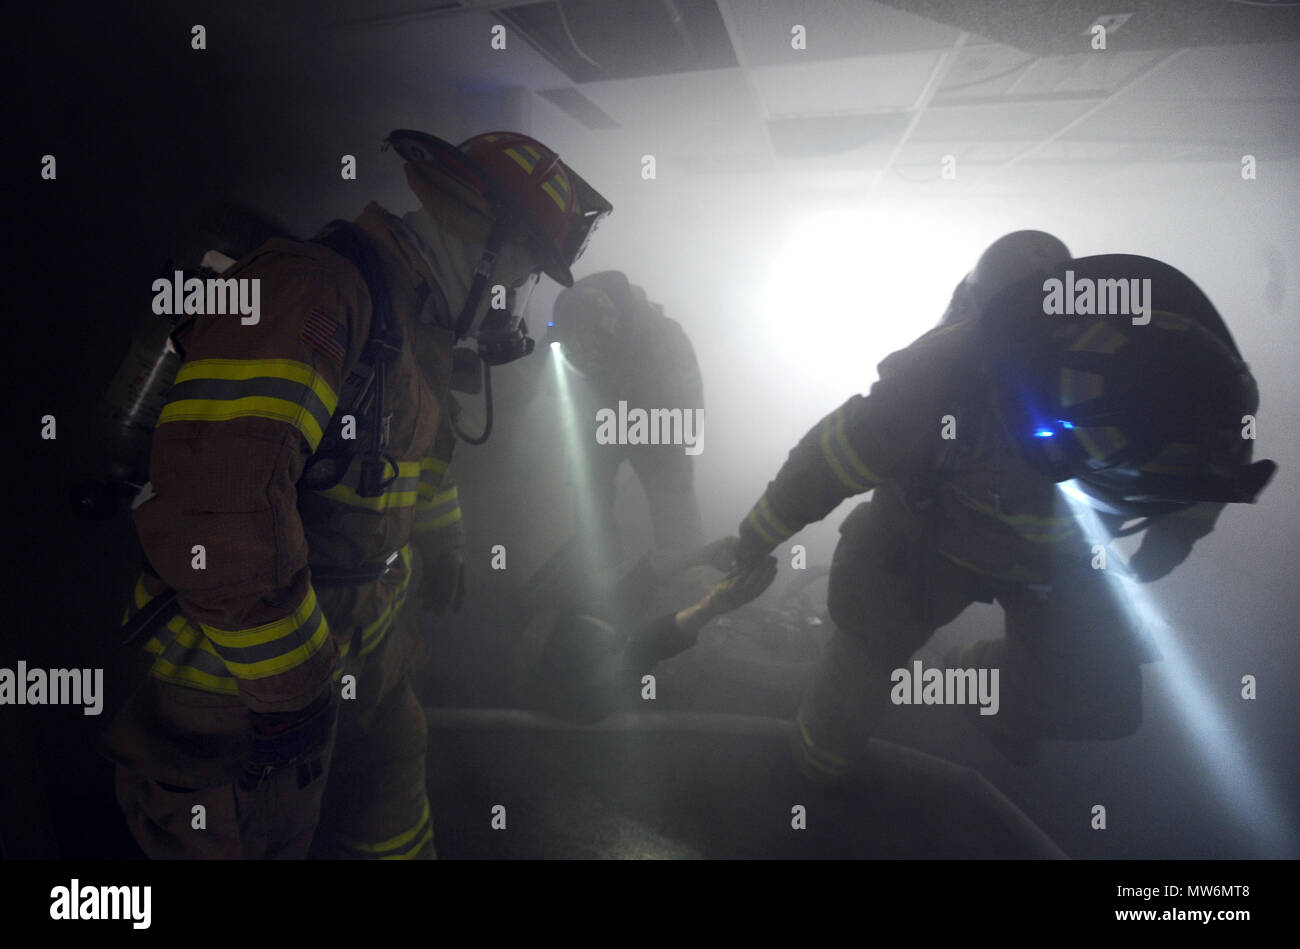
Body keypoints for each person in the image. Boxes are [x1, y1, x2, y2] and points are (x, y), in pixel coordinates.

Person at [104, 129, 612, 858]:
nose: (516, 300)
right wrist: (289, 685)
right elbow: (217, 508)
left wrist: (443, 542)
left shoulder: (419, 323)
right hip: (233, 675)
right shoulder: (314, 290)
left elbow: (419, 462)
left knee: (395, 830)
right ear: (484, 243)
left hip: (368, 655)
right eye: (525, 272)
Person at [729, 232, 1276, 779]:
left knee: (1097, 698)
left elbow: (1208, 476)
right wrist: (757, 535)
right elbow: (830, 460)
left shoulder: (1205, 391)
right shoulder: (941, 373)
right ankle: (816, 779)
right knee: (860, 666)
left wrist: (1177, 533)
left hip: (1063, 558)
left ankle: (972, 685)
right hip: (923, 538)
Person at [517, 538, 778, 724]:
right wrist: (711, 601)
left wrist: (706, 559)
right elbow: (648, 642)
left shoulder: (595, 666)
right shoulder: (590, 694)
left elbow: (644, 588)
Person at [548, 270, 705, 557]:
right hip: (606, 423)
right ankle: (602, 570)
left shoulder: (664, 336)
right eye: (578, 346)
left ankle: (688, 581)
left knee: (675, 514)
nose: (586, 352)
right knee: (590, 500)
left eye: (590, 343)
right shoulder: (577, 321)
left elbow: (688, 400)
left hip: (659, 428)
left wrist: (677, 442)